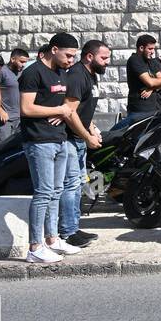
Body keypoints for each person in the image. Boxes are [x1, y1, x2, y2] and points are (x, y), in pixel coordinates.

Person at [18, 33, 85, 264]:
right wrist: (59, 111)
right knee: (44, 193)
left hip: (59, 139)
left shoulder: (61, 73)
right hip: (39, 141)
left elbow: (64, 105)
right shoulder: (32, 72)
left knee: (57, 190)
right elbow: (26, 109)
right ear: (54, 49)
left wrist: (64, 112)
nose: (70, 60)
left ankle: (52, 239)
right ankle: (35, 247)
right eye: (68, 55)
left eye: (73, 56)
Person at [59, 40, 107, 249]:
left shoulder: (91, 76)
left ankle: (74, 228)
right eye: (103, 58)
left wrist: (91, 127)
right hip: (69, 139)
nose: (107, 62)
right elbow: (69, 112)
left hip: (79, 138)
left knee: (78, 184)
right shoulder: (78, 75)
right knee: (70, 186)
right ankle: (67, 232)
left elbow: (83, 110)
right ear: (90, 56)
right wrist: (87, 137)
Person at [117, 35, 161, 130]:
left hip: (152, 109)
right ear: (141, 48)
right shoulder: (135, 60)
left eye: (153, 49)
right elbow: (152, 82)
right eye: (150, 49)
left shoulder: (150, 61)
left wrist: (152, 89)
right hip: (139, 110)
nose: (153, 52)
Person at [0, 48, 28, 144]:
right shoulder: (2, 72)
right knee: (2, 149)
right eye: (21, 61)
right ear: (13, 59)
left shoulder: (23, 73)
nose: (23, 64)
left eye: (25, 62)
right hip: (5, 119)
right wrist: (0, 110)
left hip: (20, 118)